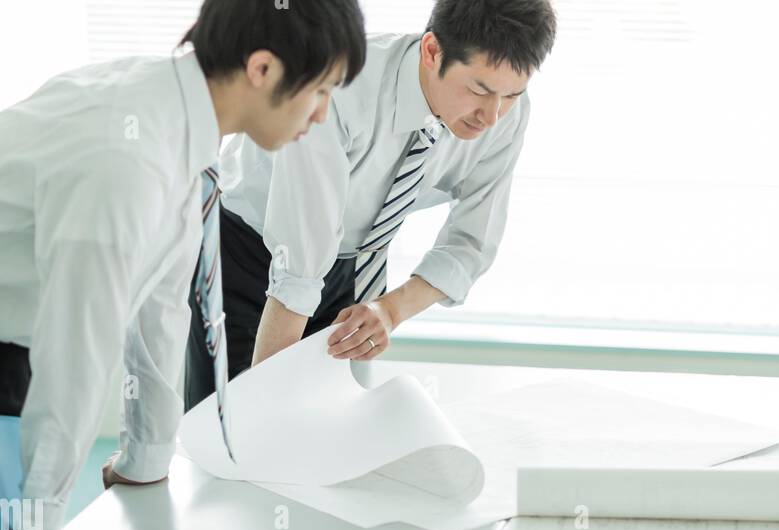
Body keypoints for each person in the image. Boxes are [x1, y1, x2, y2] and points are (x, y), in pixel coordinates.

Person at [0, 0, 366, 530]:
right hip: (28, 344)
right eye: (320, 91)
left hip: (19, 345)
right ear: (264, 69)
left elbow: (161, 305)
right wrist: (38, 526)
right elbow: (77, 349)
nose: (323, 116)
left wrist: (146, 455)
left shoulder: (182, 133)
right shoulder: (125, 158)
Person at [184, 0, 558, 410]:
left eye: (512, 94)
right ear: (432, 52)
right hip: (244, 253)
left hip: (349, 266)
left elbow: (469, 243)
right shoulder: (340, 87)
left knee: (330, 430)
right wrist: (268, 412)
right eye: (479, 90)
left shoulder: (506, 115)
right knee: (230, 428)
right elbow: (300, 265)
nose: (491, 116)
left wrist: (389, 310)